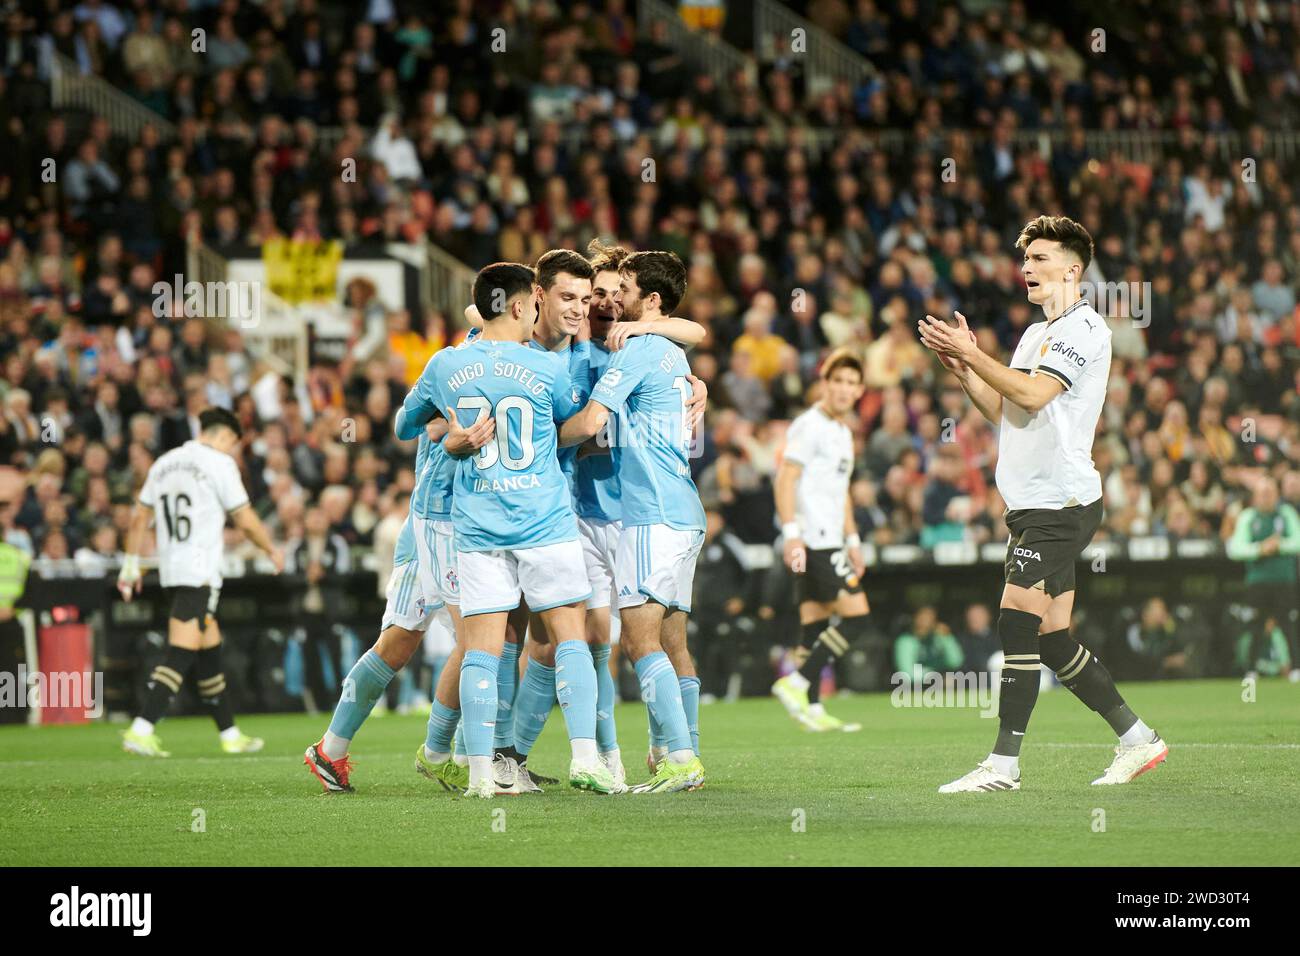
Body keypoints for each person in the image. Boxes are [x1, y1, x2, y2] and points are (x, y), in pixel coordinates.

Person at [919, 214, 1166, 791]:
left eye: (1041, 258)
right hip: (1030, 505)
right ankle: (1138, 739)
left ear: (1073, 269)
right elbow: (1009, 409)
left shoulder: (1085, 330)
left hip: (1063, 503)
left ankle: (1003, 765)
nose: (1028, 267)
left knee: (1014, 619)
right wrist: (963, 368)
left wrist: (977, 357)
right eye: (1026, 258)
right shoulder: (1036, 334)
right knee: (1054, 637)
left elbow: (1032, 390)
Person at [398, 261, 615, 798]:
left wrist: (450, 431)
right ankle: (586, 757)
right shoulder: (545, 368)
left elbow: (406, 425)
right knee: (571, 638)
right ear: (522, 305)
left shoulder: (446, 363)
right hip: (543, 520)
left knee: (482, 650)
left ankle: (479, 775)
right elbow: (573, 422)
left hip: (478, 526)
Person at [560, 250, 708, 793]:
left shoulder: (640, 347)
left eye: (622, 287)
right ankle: (679, 750)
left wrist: (531, 445)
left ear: (650, 300)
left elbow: (594, 421)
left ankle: (681, 759)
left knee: (638, 641)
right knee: (669, 640)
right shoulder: (673, 353)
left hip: (650, 515)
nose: (611, 297)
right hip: (684, 511)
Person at [117, 407, 284, 757]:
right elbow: (245, 519)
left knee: (209, 650)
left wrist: (130, 565)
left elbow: (138, 518)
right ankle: (142, 727)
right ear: (226, 436)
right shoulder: (219, 464)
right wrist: (271, 549)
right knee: (181, 651)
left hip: (172, 570)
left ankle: (230, 735)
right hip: (199, 572)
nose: (233, 452)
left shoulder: (163, 463)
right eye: (234, 445)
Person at [771, 349, 870, 732]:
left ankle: (810, 709)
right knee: (857, 617)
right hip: (814, 539)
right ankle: (796, 683)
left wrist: (854, 539)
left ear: (860, 390)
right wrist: (791, 534)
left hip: (833, 538)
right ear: (825, 384)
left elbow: (841, 491)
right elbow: (785, 478)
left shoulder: (844, 432)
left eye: (851, 383)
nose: (844, 389)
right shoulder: (809, 425)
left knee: (813, 624)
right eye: (838, 381)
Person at [1225, 475, 1300, 682]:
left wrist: (1280, 545)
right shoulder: (1249, 517)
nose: (1266, 497)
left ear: (1277, 494)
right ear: (1255, 497)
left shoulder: (1286, 514)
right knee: (1255, 625)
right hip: (1258, 582)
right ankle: (1251, 670)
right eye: (1262, 493)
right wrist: (1260, 548)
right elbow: (1235, 548)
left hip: (1284, 580)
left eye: (1270, 493)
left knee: (1288, 623)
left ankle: (1296, 668)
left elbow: (1298, 540)